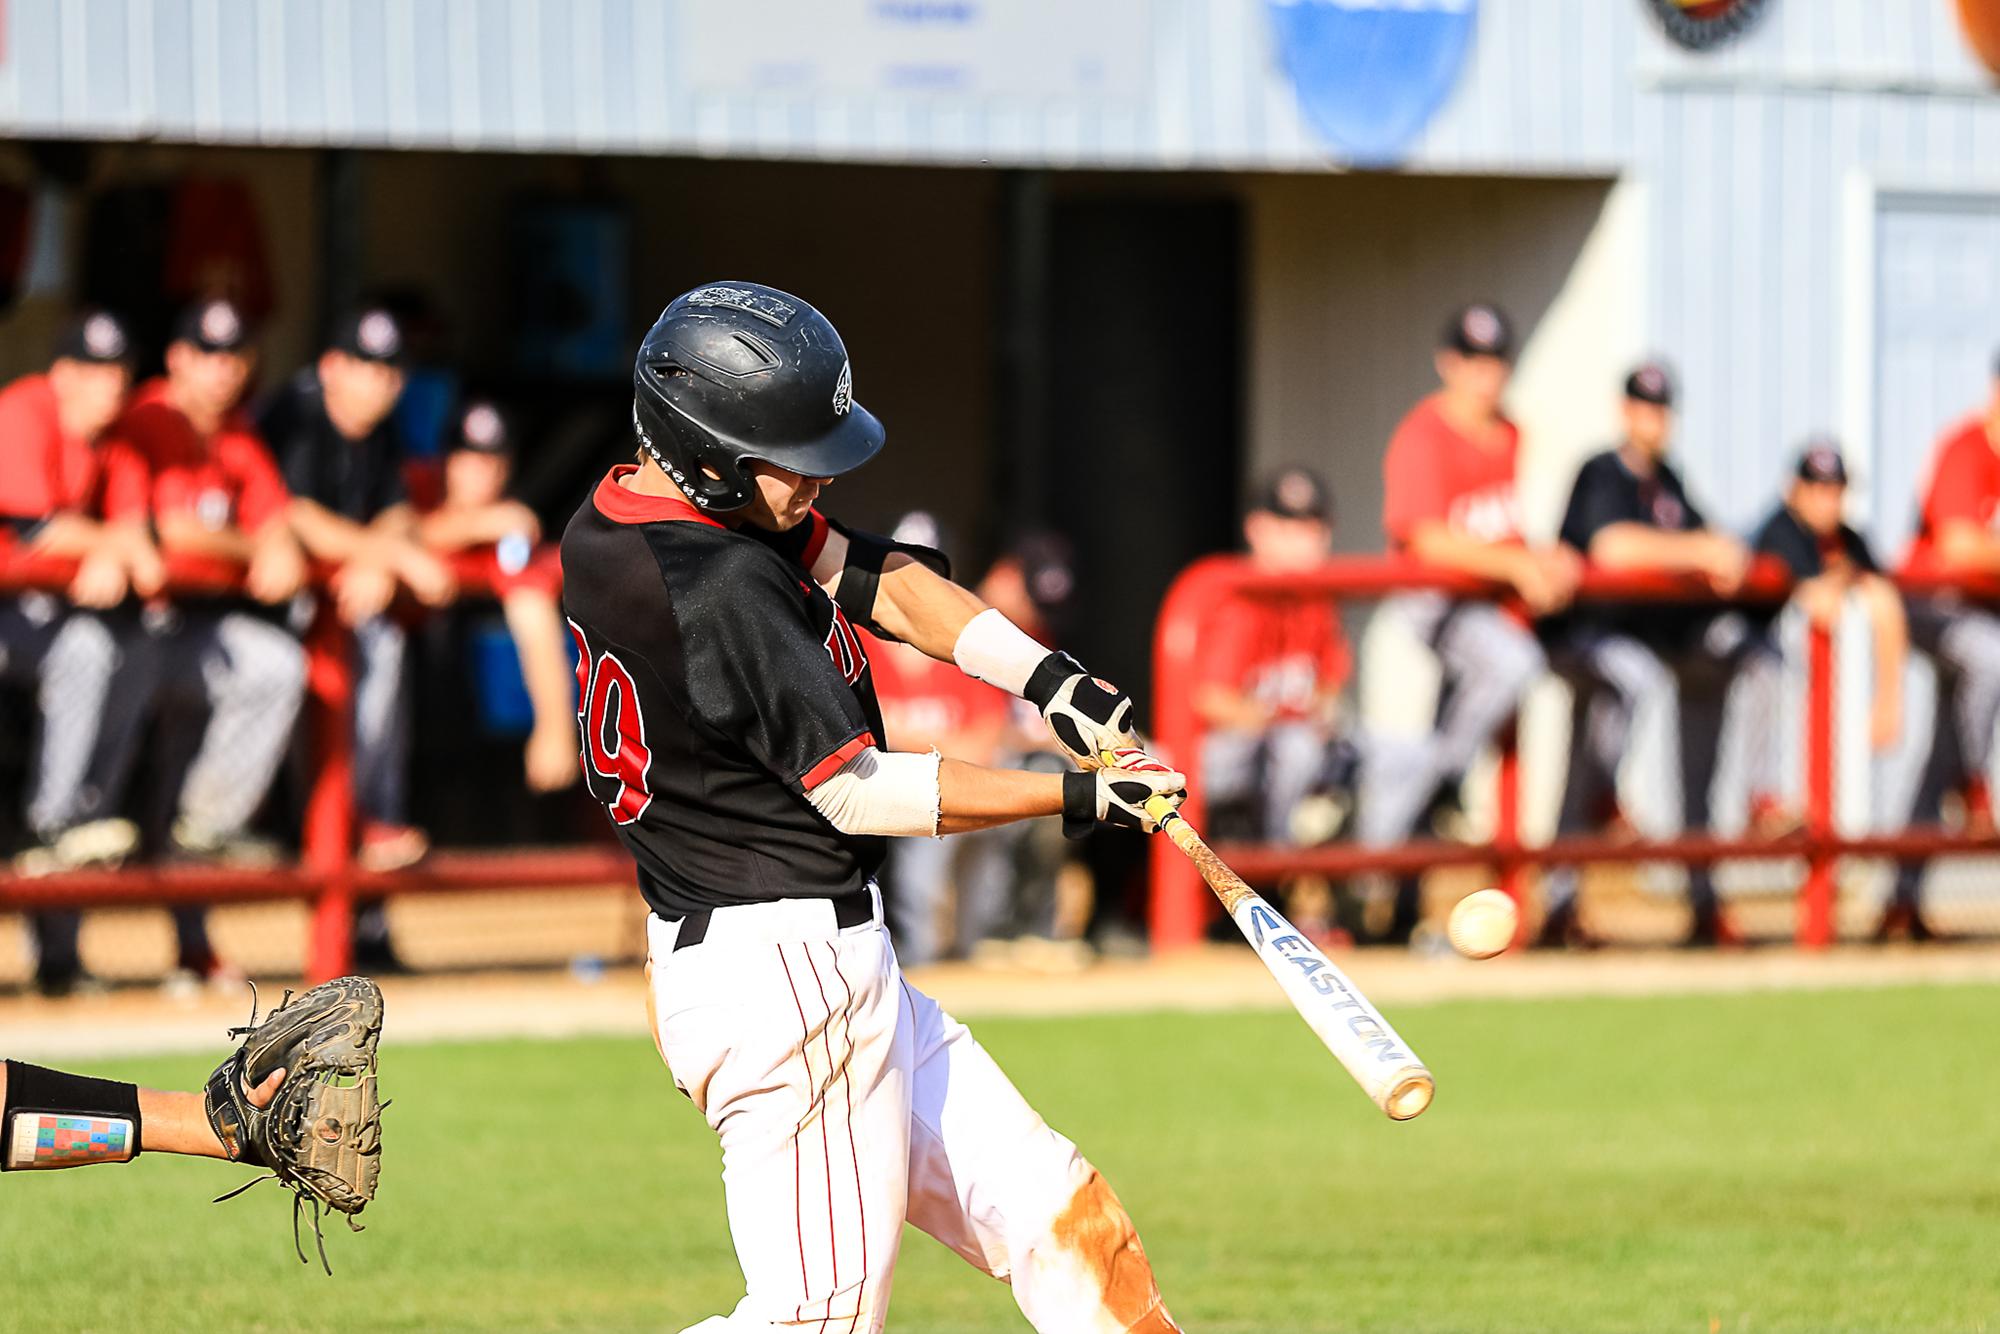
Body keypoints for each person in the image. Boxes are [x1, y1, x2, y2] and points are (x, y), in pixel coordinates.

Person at [561, 282, 1182, 1332]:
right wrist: (1076, 794)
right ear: (706, 451)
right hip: (785, 980)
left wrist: (1049, 682)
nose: (817, 476)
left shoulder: (635, 506)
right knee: (813, 1322)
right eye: (788, 456)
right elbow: (863, 791)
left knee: (1063, 1223)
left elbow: (873, 578)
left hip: (816, 962)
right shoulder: (715, 582)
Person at [259, 305, 454, 969]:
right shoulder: (298, 410)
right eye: (366, 366)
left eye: (391, 369)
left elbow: (398, 510)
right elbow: (291, 513)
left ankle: (365, 922)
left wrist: (380, 553)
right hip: (250, 630)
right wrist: (387, 556)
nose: (380, 382)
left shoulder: (381, 429)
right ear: (331, 366)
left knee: (382, 677)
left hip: (334, 629)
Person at [1375, 304, 1576, 941]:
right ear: (1448, 362)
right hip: (1436, 600)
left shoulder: (1510, 433)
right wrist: (1516, 565)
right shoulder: (1423, 433)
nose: (1483, 375)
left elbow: (1500, 529)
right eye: (1472, 360)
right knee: (1512, 665)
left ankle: (1399, 887)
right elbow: (1428, 541)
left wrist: (1542, 559)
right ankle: (1443, 784)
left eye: (1494, 361)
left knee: (1449, 727)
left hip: (1485, 603)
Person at [1538, 363, 1755, 948]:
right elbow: (1611, 548)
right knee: (1627, 696)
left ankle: (1571, 905)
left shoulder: (1669, 481)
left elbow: (1712, 542)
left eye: (1661, 408)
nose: (1652, 419)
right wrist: (1698, 550)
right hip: (1585, 638)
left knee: (1736, 658)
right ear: (1624, 410)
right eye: (1642, 406)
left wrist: (1718, 549)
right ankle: (1590, 837)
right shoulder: (1601, 471)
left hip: (1647, 644)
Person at [111, 299, 309, 908]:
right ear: (177, 358)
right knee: (89, 807)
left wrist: (271, 546)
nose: (221, 369)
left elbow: (278, 526)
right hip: (116, 631)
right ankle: (59, 959)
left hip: (192, 634)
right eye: (206, 354)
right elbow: (169, 528)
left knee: (274, 666)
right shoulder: (146, 415)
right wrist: (255, 549)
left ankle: (207, 833)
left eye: (232, 356)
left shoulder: (238, 434)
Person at [0, 311, 162, 994]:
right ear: (62, 373)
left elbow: (137, 540)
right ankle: (57, 821)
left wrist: (114, 543)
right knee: (89, 649)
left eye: (118, 372)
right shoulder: (23, 409)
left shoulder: (117, 444)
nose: (109, 386)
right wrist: (108, 544)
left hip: (40, 628)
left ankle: (62, 840)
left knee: (125, 651)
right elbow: (34, 528)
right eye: (93, 371)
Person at [1741, 442, 1907, 836]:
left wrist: (1888, 700)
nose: (1828, 502)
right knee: (1767, 667)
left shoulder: (1845, 538)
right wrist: (1843, 578)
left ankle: (1766, 805)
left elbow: (1884, 598)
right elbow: (1818, 600)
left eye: (1835, 491)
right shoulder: (1780, 529)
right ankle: (1761, 801)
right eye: (1818, 490)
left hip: (1770, 669)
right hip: (1721, 649)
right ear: (1794, 490)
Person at [1886, 363, 2000, 936]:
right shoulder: (1967, 446)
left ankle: (1900, 900)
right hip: (1931, 602)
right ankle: (1975, 782)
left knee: (1943, 752)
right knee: (1990, 657)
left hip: (1979, 614)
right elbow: (1957, 548)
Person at [415, 399, 578, 794]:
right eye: (470, 460)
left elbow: (532, 607)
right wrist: (473, 525)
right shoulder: (414, 486)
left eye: (493, 462)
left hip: (457, 719)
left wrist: (556, 728)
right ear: (447, 462)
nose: (482, 475)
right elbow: (393, 535)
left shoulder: (508, 531)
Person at [1195, 466, 1352, 846]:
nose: (1305, 541)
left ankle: (1370, 889)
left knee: (1403, 758)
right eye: (1289, 527)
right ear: (1257, 529)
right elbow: (1210, 701)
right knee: (1294, 749)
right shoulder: (1237, 597)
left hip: (1285, 746)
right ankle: (1274, 870)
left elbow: (1332, 686)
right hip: (1220, 757)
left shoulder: (1316, 599)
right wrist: (1288, 718)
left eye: (1313, 527)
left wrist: (1319, 715)